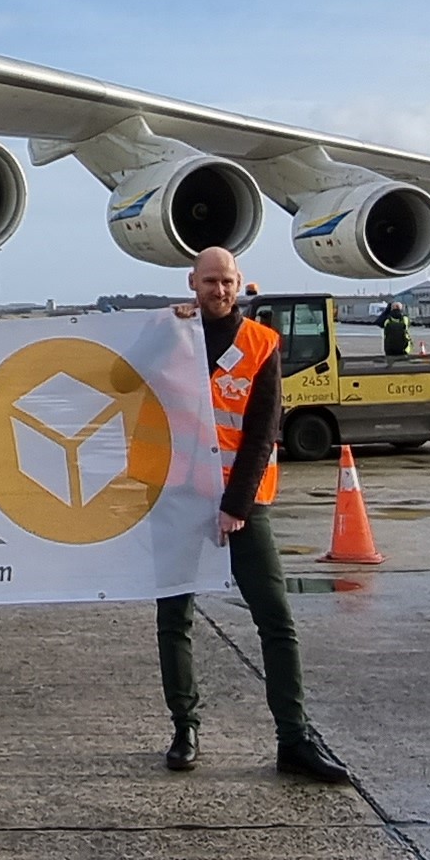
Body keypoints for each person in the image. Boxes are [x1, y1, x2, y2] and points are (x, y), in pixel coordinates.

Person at [156, 247, 351, 784]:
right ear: (191, 282)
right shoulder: (171, 339)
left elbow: (263, 431)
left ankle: (294, 739)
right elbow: (127, 388)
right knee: (174, 620)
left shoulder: (261, 344)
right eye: (210, 281)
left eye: (227, 281)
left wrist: (235, 506)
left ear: (240, 284)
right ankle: (184, 728)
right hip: (177, 496)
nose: (219, 290)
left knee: (276, 622)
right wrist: (159, 331)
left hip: (242, 504)